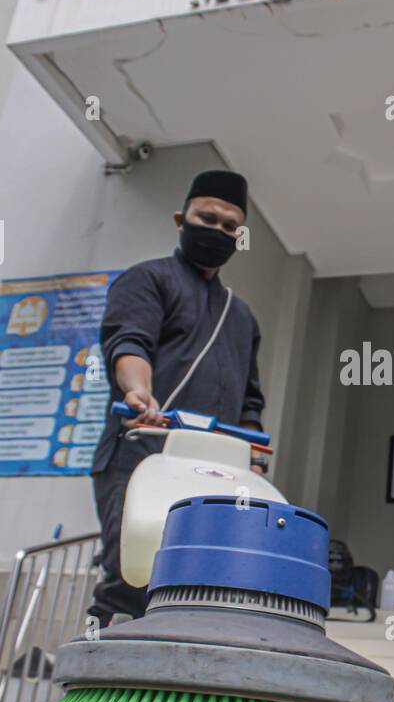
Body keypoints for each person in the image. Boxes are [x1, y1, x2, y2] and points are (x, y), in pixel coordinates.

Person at [87, 169, 266, 627]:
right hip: (143, 453)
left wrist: (255, 458)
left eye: (230, 226)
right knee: (135, 576)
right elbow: (129, 344)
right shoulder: (146, 280)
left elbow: (251, 399)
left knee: (204, 583)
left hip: (219, 468)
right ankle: (108, 685)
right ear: (180, 219)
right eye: (207, 218)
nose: (218, 231)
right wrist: (138, 390)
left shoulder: (242, 315)